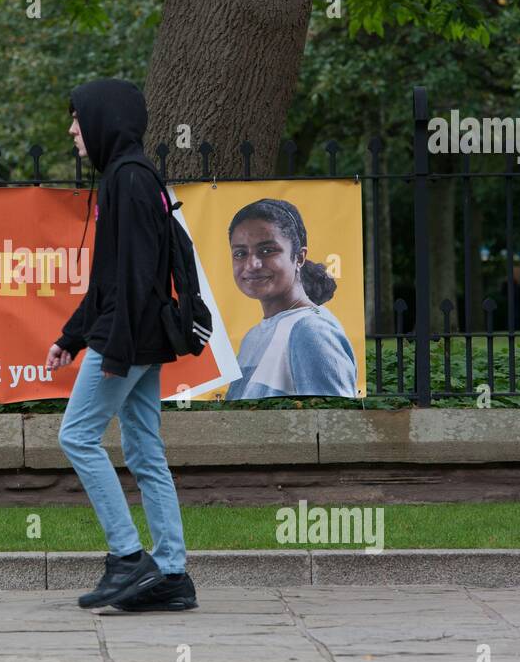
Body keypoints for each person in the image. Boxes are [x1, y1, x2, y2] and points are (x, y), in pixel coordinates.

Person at [46, 77, 197, 612]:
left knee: (78, 437)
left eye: (77, 118)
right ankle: (172, 575)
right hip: (139, 335)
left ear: (104, 119)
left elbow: (133, 279)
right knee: (143, 450)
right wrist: (72, 336)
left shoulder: (127, 181)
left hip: (129, 339)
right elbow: (110, 280)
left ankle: (128, 557)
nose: (71, 130)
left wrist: (115, 351)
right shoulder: (130, 176)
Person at [224, 198, 357, 400]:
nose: (252, 264)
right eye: (240, 253)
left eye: (267, 250)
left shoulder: (311, 331)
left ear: (299, 257)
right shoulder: (253, 336)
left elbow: (334, 422)